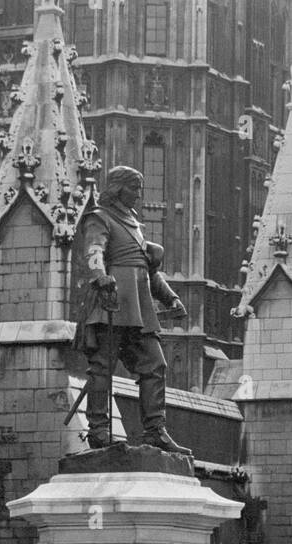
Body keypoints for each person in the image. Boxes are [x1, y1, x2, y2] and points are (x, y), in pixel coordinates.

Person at [74, 165, 189, 452]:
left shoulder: (135, 225)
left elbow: (147, 271)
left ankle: (155, 431)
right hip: (110, 304)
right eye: (134, 188)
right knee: (102, 368)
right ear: (117, 189)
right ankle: (98, 431)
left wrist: (170, 297)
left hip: (139, 307)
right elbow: (93, 251)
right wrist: (101, 278)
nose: (139, 195)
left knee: (155, 365)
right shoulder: (99, 218)